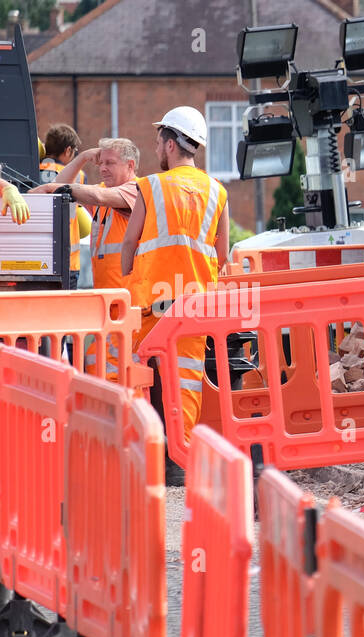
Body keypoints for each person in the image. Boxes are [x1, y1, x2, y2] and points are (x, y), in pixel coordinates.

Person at [121, 107, 229, 486]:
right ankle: (178, 465)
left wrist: (129, 280)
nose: (156, 148)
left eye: (158, 142)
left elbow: (129, 244)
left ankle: (147, 462)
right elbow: (223, 255)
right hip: (194, 309)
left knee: (144, 382)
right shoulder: (218, 191)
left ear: (170, 144)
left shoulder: (150, 187)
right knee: (184, 386)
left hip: (152, 307)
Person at [31, 138, 142, 381]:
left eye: (110, 163)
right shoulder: (104, 193)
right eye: (100, 163)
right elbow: (64, 186)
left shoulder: (137, 190)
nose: (102, 168)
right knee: (99, 370)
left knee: (120, 373)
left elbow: (97, 196)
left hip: (128, 304)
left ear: (130, 165)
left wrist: (51, 189)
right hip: (108, 304)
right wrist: (81, 159)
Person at [38, 124, 91, 275]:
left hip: (37, 253)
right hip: (66, 258)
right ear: (68, 150)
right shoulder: (79, 176)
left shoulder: (32, 168)